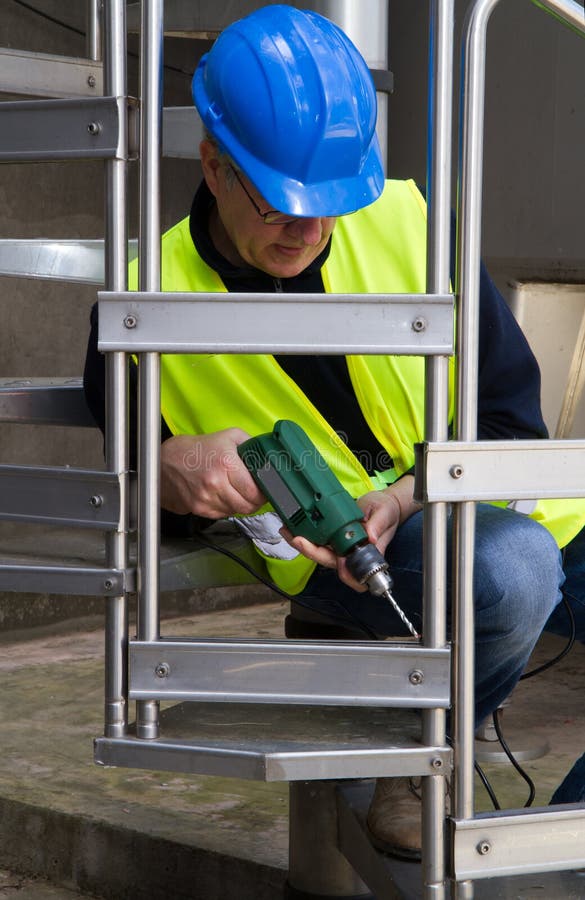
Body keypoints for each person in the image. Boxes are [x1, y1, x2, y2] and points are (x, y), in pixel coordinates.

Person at [83, 4, 585, 857]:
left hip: (486, 512)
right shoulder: (144, 299)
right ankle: (416, 752)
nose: (309, 232)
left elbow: (509, 420)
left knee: (515, 555)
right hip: (350, 566)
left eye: (329, 206)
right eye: (281, 207)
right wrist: (169, 466)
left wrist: (408, 493)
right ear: (213, 167)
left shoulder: (411, 225)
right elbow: (129, 495)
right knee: (507, 569)